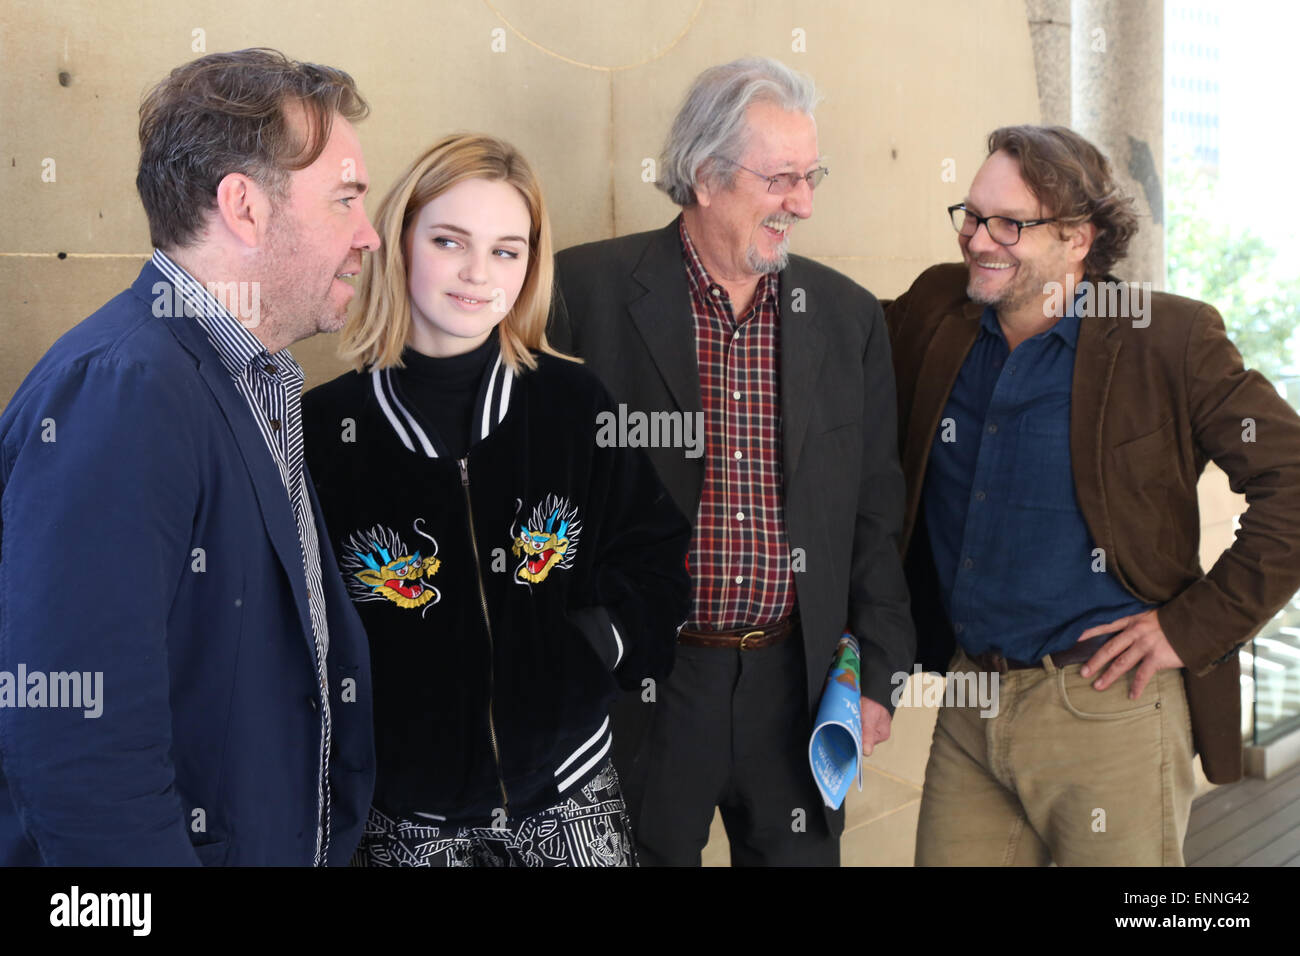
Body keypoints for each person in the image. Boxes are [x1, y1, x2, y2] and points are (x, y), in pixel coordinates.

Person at [0, 49, 381, 865]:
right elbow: (79, 744)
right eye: (346, 199)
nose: (369, 234)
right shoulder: (121, 392)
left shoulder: (253, 376)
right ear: (243, 206)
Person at [886, 124, 1300, 866]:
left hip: (1109, 706)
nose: (978, 239)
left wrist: (1193, 626)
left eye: (1010, 224)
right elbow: (825, 336)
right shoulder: (935, 311)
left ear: (1077, 239)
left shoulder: (1168, 339)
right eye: (972, 215)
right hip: (969, 698)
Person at [549, 57, 915, 866]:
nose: (804, 203)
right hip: (646, 688)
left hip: (798, 687)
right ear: (706, 176)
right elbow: (541, 503)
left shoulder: (848, 316)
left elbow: (872, 510)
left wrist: (880, 671)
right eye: (782, 178)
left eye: (811, 176)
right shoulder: (582, 292)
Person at [301, 133, 691, 867]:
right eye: (451, 241)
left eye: (507, 250)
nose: (479, 273)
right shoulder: (322, 432)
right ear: (400, 238)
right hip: (404, 823)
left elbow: (656, 556)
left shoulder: (574, 404)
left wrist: (599, 643)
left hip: (572, 801)